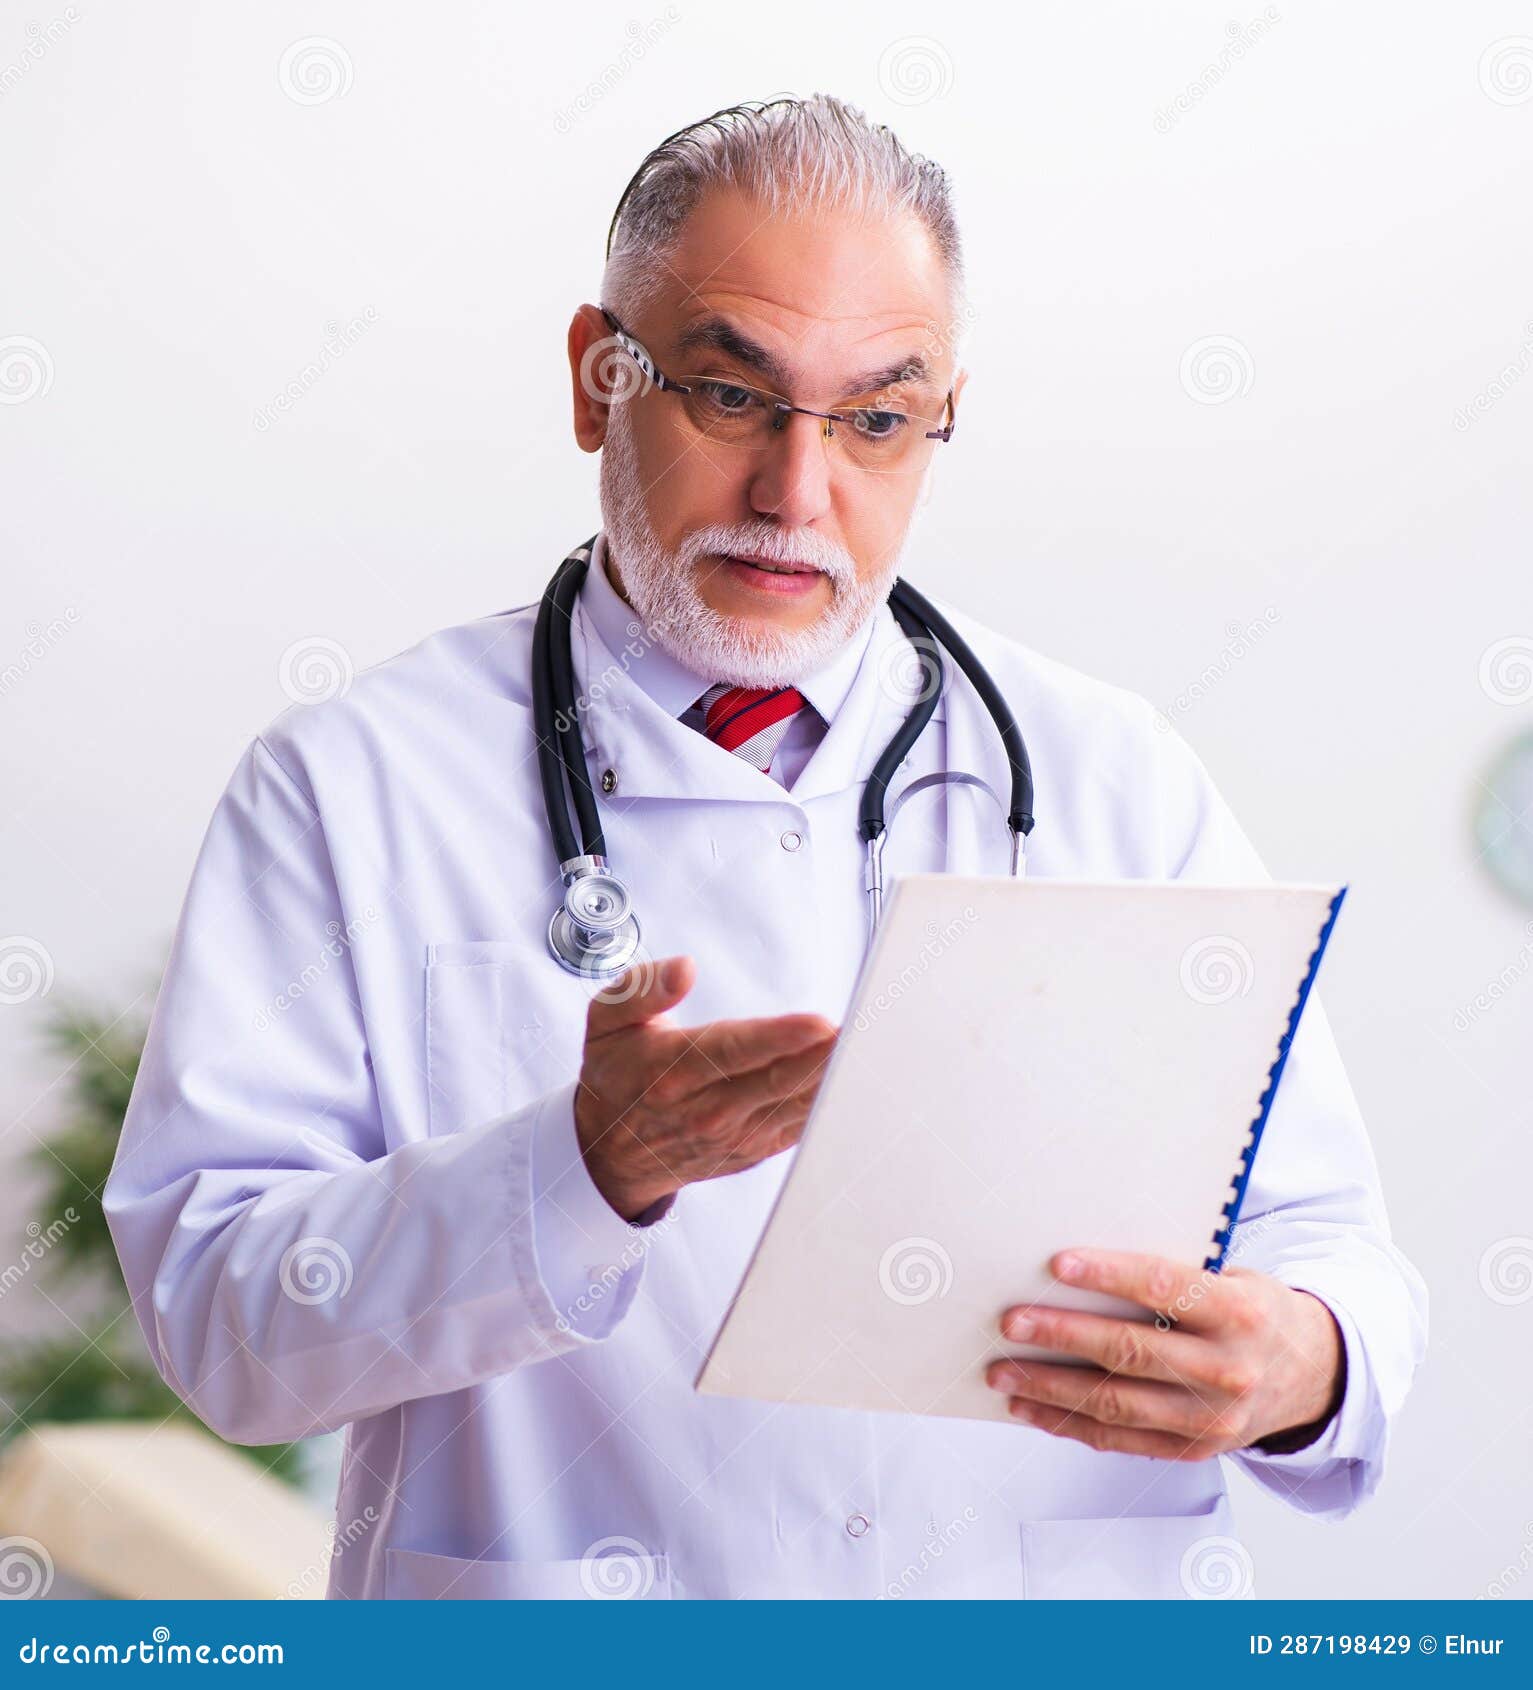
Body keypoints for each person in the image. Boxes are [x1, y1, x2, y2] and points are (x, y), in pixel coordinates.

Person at [104, 94, 1426, 1601]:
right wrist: (577, 1170)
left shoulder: (1113, 778)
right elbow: (219, 1324)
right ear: (597, 378)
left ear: (940, 419)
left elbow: (1329, 1241)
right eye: (733, 397)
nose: (798, 495)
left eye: (876, 420)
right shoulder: (353, 785)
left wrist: (1303, 1361)